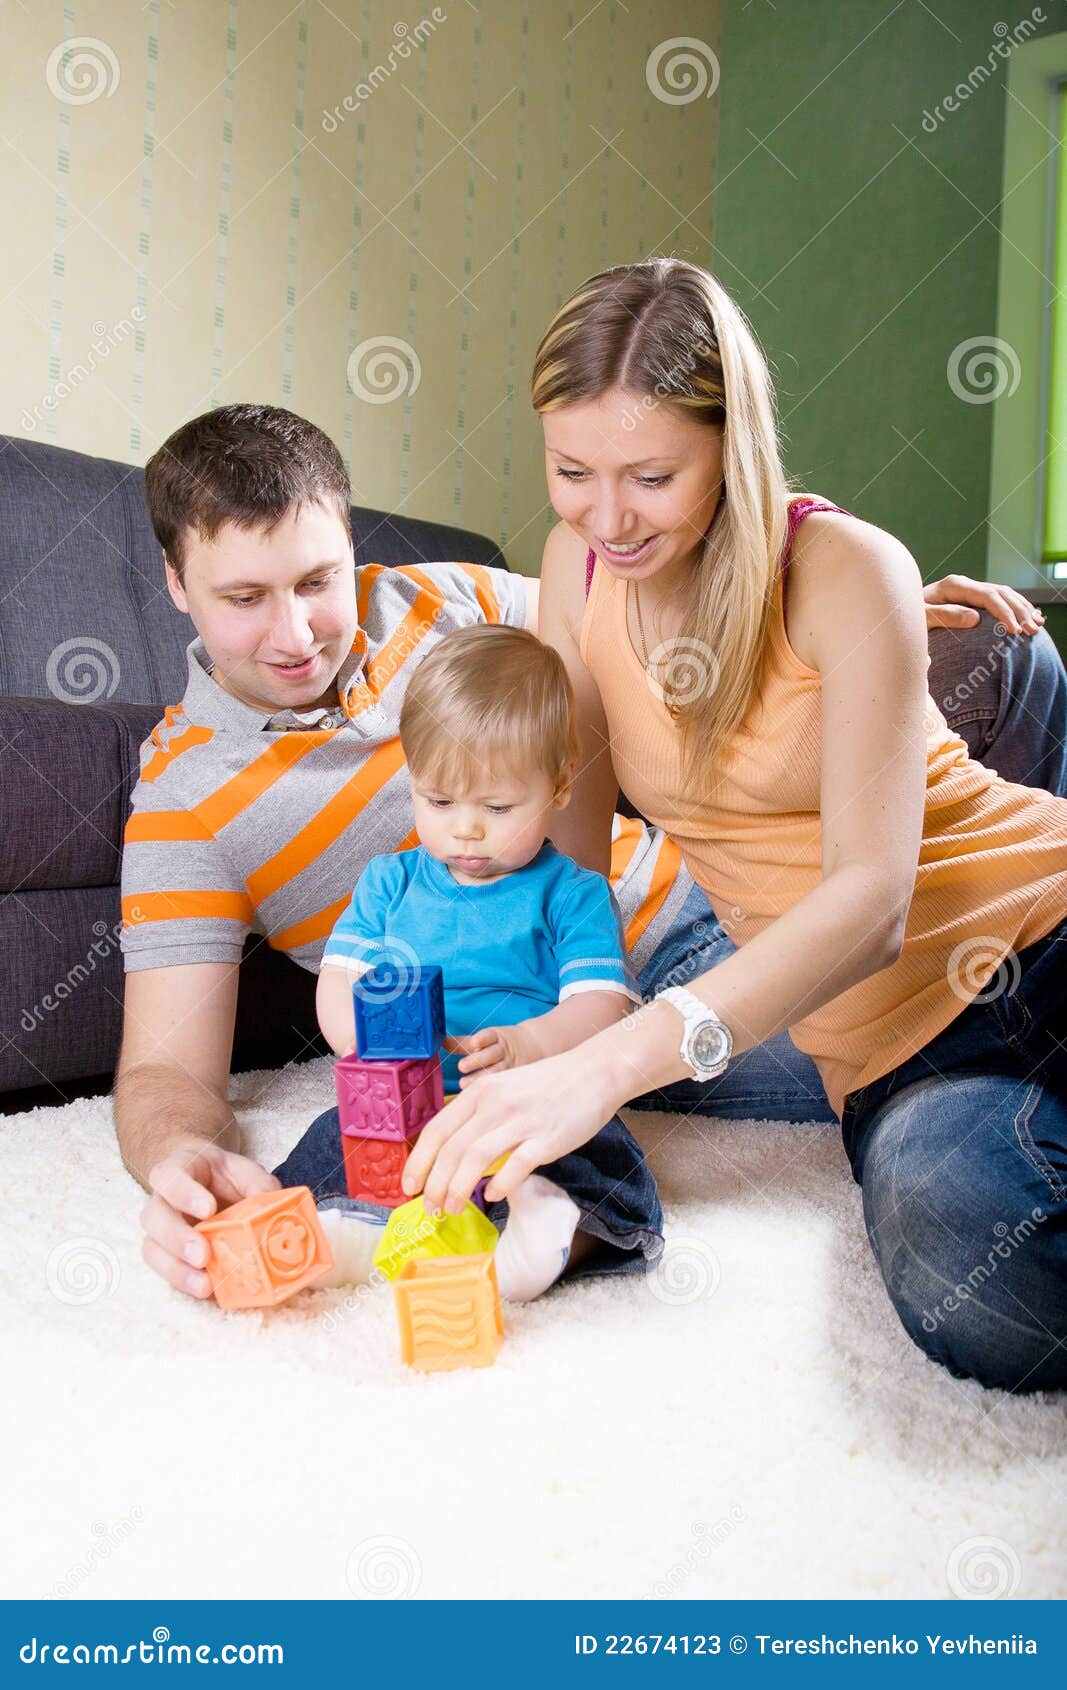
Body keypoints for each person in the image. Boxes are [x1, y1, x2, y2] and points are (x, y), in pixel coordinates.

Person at [121, 402, 1065, 1325]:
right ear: (175, 581)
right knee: (943, 1116)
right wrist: (178, 1159)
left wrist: (875, 612)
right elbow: (163, 1072)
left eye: (318, 581)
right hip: (546, 1033)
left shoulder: (463, 604)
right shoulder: (185, 795)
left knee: (1009, 665)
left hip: (701, 922)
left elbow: (679, 599)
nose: (295, 635)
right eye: (244, 599)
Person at [400, 258, 1067, 1394]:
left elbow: (869, 903)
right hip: (899, 1056)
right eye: (571, 470)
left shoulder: (845, 570)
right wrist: (533, 1045)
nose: (605, 515)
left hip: (1038, 926)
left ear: (732, 448)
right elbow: (564, 851)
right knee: (973, 1277)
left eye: (652, 475)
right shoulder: (577, 570)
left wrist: (608, 1062)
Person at [273, 622, 662, 1300]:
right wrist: (366, 1051)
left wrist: (531, 1043)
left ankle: (548, 1236)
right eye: (439, 800)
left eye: (497, 805)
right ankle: (349, 1226)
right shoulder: (388, 883)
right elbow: (340, 980)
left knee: (601, 1163)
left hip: (523, 1101)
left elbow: (600, 1006)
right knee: (328, 1142)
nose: (465, 828)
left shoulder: (571, 894)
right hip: (402, 1102)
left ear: (559, 786)